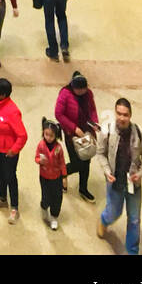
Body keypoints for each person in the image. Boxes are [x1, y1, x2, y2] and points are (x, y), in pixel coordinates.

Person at [96, 97, 142, 254]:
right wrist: (107, 171)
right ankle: (104, 220)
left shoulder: (139, 132)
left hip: (134, 184)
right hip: (115, 182)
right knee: (114, 212)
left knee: (134, 220)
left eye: (125, 114)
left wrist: (141, 173)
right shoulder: (106, 131)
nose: (122, 118)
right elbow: (100, 154)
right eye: (119, 114)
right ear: (115, 113)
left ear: (130, 115)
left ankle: (132, 251)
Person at [0, 77, 28, 224]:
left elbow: (22, 135)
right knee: (1, 173)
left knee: (10, 177)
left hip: (9, 152)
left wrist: (14, 150)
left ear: (3, 94)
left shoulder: (13, 111)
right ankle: (2, 198)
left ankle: (14, 207)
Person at [55, 71, 100, 201]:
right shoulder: (65, 94)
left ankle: (83, 188)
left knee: (86, 160)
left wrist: (94, 123)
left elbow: (92, 109)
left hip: (86, 132)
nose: (81, 92)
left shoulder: (88, 94)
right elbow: (59, 114)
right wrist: (74, 128)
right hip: (71, 134)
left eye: (83, 89)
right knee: (76, 163)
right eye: (78, 90)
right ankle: (60, 173)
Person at [35, 118, 67, 230]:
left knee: (57, 198)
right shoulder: (41, 145)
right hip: (44, 177)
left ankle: (54, 216)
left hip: (56, 177)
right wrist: (40, 161)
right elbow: (36, 158)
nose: (48, 137)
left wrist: (64, 177)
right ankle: (44, 207)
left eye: (51, 135)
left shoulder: (59, 148)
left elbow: (62, 162)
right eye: (46, 134)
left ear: (56, 135)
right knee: (46, 197)